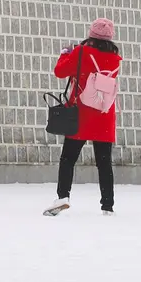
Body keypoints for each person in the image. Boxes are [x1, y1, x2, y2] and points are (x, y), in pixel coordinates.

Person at [45, 18, 122, 217]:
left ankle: (63, 197)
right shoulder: (115, 58)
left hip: (82, 112)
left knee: (68, 158)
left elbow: (60, 72)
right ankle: (108, 206)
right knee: (104, 163)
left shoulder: (82, 52)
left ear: (91, 34)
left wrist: (65, 54)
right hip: (105, 114)